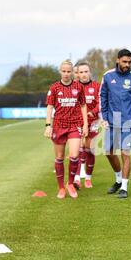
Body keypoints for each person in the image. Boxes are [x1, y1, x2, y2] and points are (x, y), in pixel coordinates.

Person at [100, 49, 131, 199]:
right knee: (108, 152)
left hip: (128, 122)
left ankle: (124, 187)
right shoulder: (107, 76)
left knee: (125, 153)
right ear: (118, 60)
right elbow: (102, 98)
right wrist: (103, 118)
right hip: (111, 122)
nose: (127, 65)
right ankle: (118, 179)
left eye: (129, 62)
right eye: (124, 61)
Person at [44, 60, 88, 199]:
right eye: (64, 71)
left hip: (75, 125)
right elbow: (50, 107)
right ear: (60, 71)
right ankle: (61, 187)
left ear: (72, 72)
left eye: (69, 71)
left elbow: (83, 106)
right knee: (59, 158)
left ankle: (70, 183)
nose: (66, 74)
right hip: (58, 125)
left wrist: (85, 124)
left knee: (74, 155)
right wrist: (48, 125)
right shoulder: (54, 88)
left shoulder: (78, 87)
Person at [73, 61, 101, 189]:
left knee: (90, 150)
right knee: (78, 150)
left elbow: (100, 103)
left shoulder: (97, 86)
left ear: (90, 72)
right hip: (77, 122)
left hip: (93, 122)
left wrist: (92, 113)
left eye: (86, 71)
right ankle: (77, 179)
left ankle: (88, 179)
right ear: (77, 74)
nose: (84, 74)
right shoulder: (73, 87)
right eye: (81, 72)